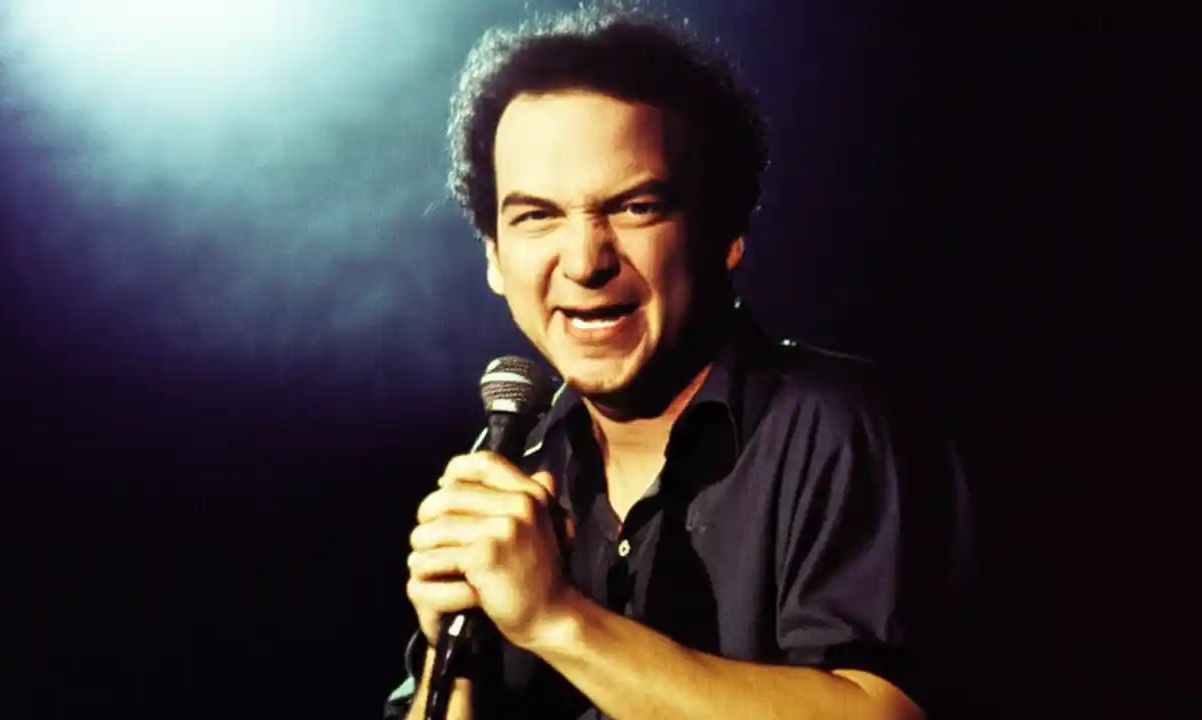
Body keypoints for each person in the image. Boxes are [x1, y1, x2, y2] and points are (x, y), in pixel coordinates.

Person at [385, 6, 971, 719]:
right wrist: (461, 661)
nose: (585, 261)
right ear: (493, 258)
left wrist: (557, 620)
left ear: (726, 232)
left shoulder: (842, 429)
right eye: (536, 216)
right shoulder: (516, 465)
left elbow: (884, 713)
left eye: (634, 207)